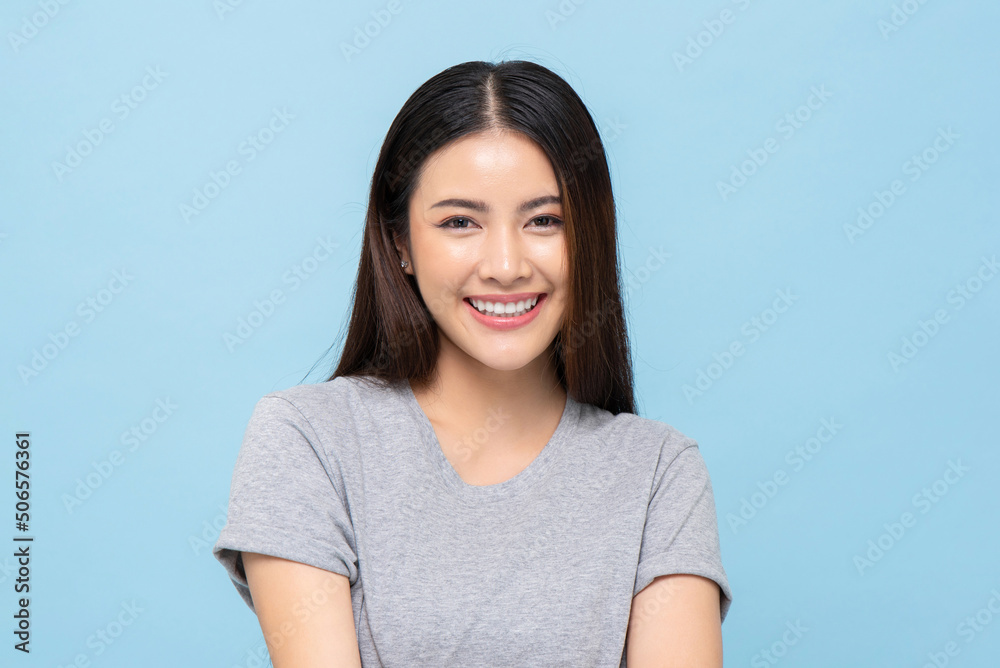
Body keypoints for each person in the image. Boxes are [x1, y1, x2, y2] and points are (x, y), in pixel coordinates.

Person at [213, 58, 732, 667]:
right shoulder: (310, 440)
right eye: (460, 222)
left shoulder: (659, 472)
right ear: (401, 242)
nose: (506, 266)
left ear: (589, 236)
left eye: (545, 220)